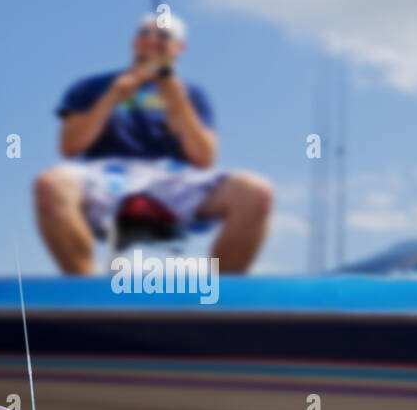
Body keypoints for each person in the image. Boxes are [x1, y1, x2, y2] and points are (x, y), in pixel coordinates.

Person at [35, 14, 273, 274]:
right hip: (104, 174)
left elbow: (204, 159)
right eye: (144, 34)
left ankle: (224, 300)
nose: (152, 40)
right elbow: (70, 147)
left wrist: (179, 103)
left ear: (179, 48)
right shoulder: (90, 86)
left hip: (174, 177)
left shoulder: (193, 93)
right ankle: (83, 293)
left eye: (163, 36)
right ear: (134, 42)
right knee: (51, 184)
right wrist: (112, 96)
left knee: (255, 192)